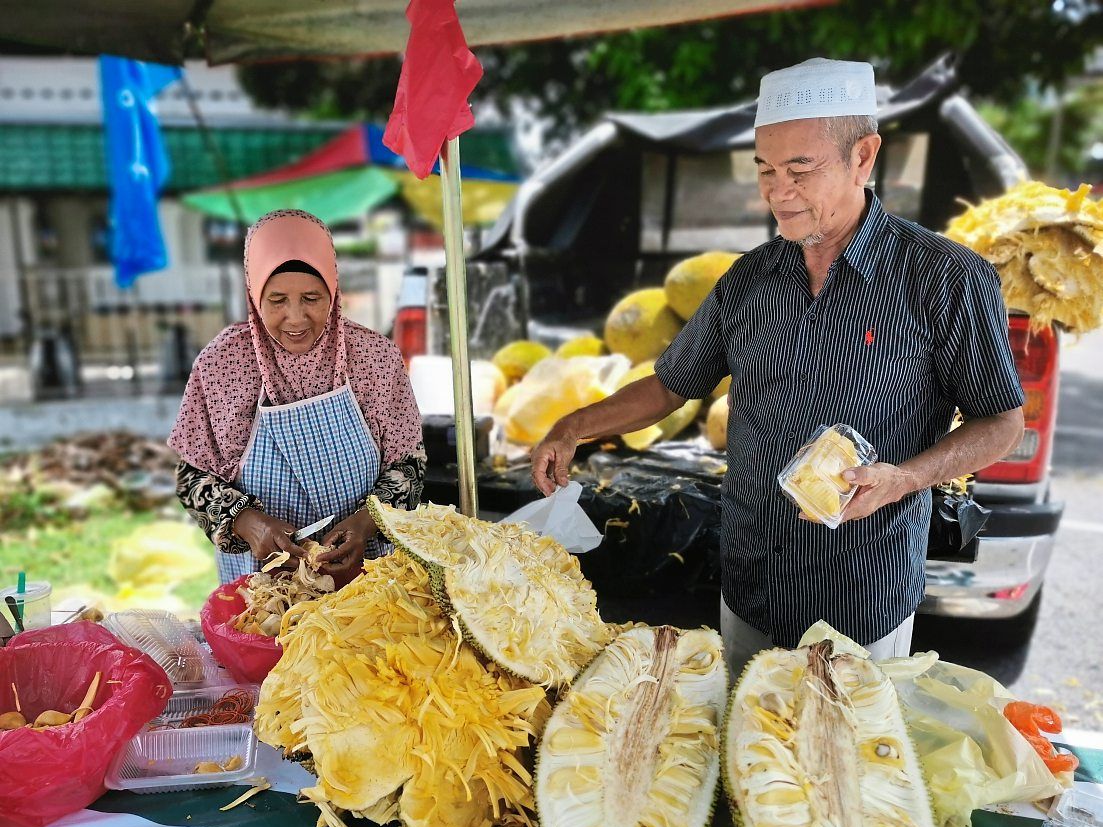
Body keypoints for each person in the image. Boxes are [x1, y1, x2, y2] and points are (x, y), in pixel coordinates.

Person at [530, 59, 1025, 674]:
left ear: (863, 157)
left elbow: (1001, 423)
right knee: (748, 757)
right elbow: (669, 384)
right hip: (748, 593)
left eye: (800, 169)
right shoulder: (749, 281)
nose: (776, 191)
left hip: (863, 603)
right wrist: (574, 425)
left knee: (841, 765)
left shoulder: (944, 278)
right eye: (765, 168)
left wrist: (904, 478)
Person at [169, 209, 425, 585]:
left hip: (366, 577)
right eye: (276, 300)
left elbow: (410, 466)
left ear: (334, 291)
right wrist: (249, 523)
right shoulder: (222, 362)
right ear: (254, 294)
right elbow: (192, 476)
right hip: (261, 585)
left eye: (311, 297)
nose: (295, 318)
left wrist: (366, 523)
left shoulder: (374, 358)